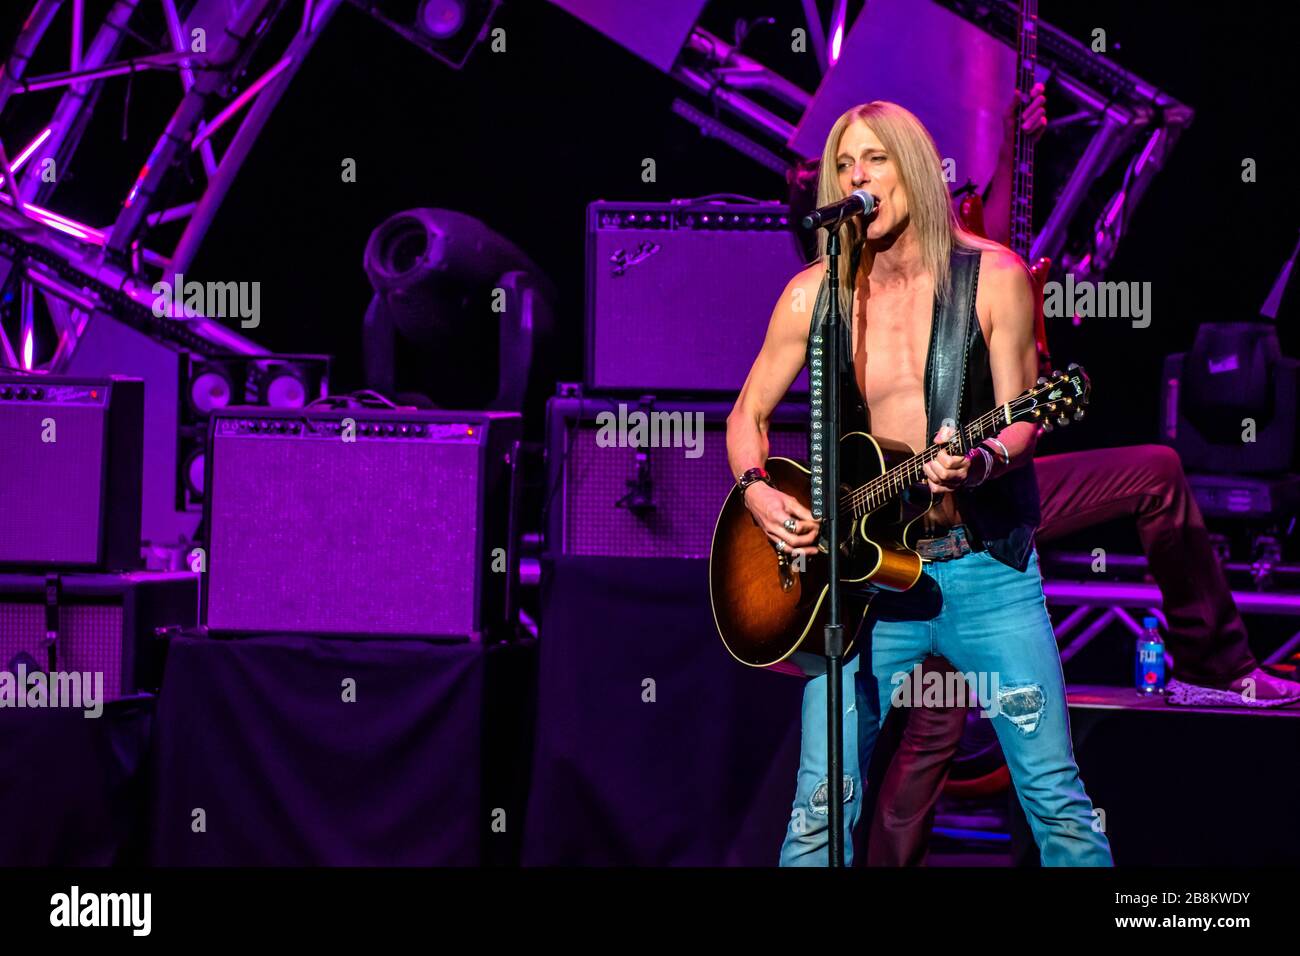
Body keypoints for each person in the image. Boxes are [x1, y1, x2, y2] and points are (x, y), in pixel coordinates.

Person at [725, 100, 1112, 866]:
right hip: (862, 586)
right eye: (843, 165)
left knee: (1057, 802)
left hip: (983, 566)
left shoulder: (993, 277)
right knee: (818, 810)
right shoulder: (817, 293)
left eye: (874, 160)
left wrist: (984, 460)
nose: (856, 177)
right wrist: (756, 490)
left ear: (916, 171)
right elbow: (747, 415)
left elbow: (1022, 418)